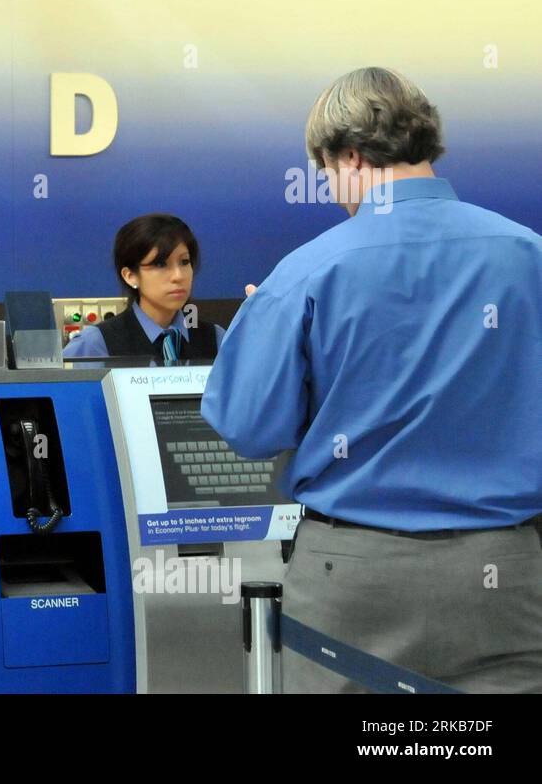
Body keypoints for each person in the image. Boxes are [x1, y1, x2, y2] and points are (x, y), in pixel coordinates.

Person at [202, 67, 542, 692]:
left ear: (352, 155)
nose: (333, 191)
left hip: (353, 576)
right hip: (505, 575)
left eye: (327, 172)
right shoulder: (529, 255)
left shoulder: (305, 272)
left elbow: (249, 428)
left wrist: (264, 340)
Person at [63, 213, 224, 366]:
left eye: (184, 262)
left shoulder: (216, 339)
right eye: (160, 264)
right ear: (130, 276)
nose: (178, 276)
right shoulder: (95, 344)